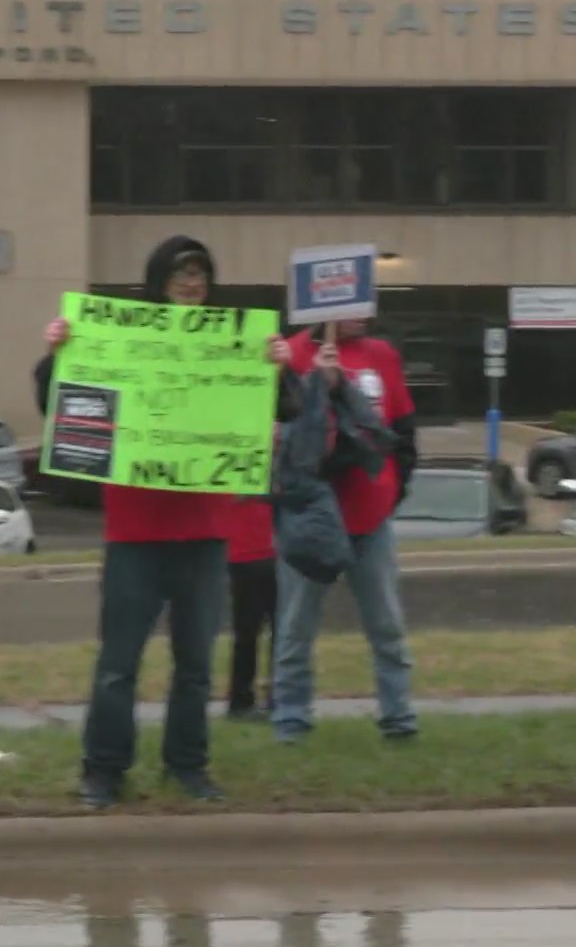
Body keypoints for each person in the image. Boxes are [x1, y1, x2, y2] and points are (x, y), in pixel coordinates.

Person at [34, 236, 291, 808]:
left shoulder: (235, 346)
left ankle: (188, 767)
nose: (191, 282)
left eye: (200, 273)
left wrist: (280, 370)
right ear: (157, 281)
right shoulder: (123, 339)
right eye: (180, 273)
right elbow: (55, 399)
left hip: (203, 533)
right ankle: (103, 771)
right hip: (134, 536)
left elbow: (287, 409)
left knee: (196, 666)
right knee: (117, 665)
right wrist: (58, 356)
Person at [271, 320, 419, 744]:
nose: (358, 312)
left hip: (369, 516)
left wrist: (394, 491)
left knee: (387, 625)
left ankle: (399, 719)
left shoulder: (382, 355)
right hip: (309, 519)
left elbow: (404, 430)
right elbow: (282, 434)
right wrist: (314, 382)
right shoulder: (289, 352)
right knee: (296, 626)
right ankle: (291, 722)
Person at [223, 495, 276, 721]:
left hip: (277, 549)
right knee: (247, 630)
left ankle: (281, 696)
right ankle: (241, 700)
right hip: (243, 551)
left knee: (284, 630)